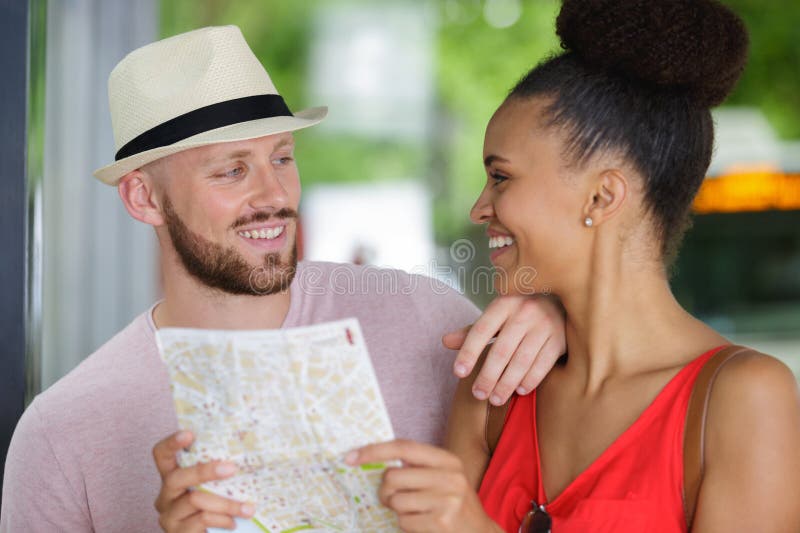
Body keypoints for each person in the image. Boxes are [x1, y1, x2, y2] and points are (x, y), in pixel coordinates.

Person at [0, 25, 568, 532]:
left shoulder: (425, 316)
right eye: (232, 170)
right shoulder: (61, 435)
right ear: (144, 197)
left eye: (281, 158)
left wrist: (563, 322)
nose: (274, 196)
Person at [348, 0, 800, 531]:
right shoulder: (495, 388)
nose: (479, 208)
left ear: (601, 198)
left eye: (501, 177)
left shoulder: (744, 397)